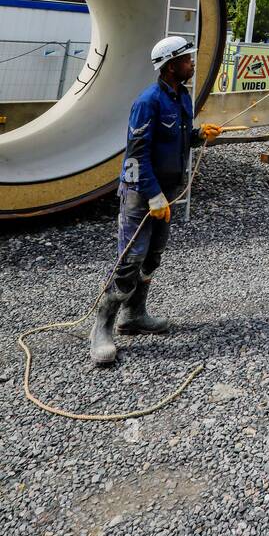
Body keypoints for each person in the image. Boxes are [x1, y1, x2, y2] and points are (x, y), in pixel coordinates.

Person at [89, 36, 222, 366]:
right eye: (187, 60)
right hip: (142, 195)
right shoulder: (147, 102)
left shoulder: (182, 97)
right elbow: (136, 156)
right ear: (170, 65)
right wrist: (152, 195)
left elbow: (177, 138)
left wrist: (199, 135)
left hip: (167, 194)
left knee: (153, 257)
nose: (192, 64)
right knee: (131, 258)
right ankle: (102, 327)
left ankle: (134, 316)